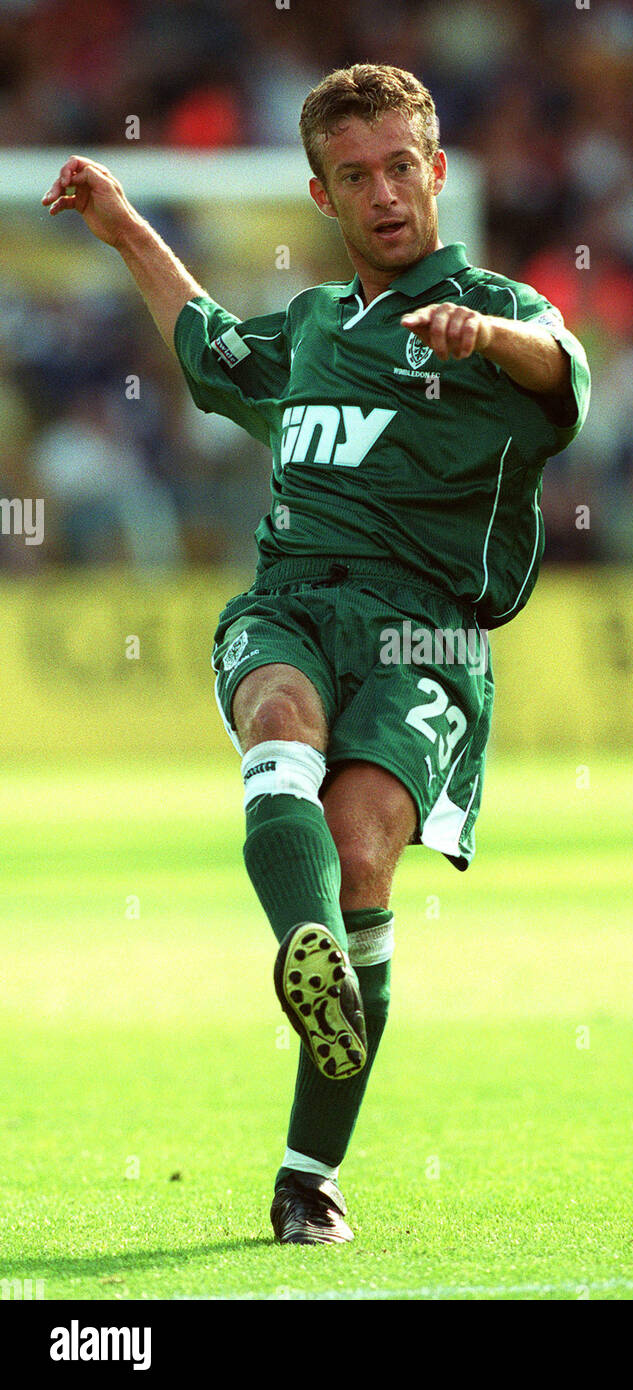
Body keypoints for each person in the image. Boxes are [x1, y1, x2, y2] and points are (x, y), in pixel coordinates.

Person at [43, 63, 590, 1246]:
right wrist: (122, 222)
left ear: (436, 172)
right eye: (356, 176)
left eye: (401, 167)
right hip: (289, 599)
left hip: (426, 636)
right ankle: (309, 956)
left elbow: (564, 374)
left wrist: (484, 332)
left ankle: (307, 1171)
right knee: (278, 717)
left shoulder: (496, 310)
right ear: (322, 196)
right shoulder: (309, 333)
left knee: (358, 856)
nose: (385, 193)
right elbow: (201, 343)